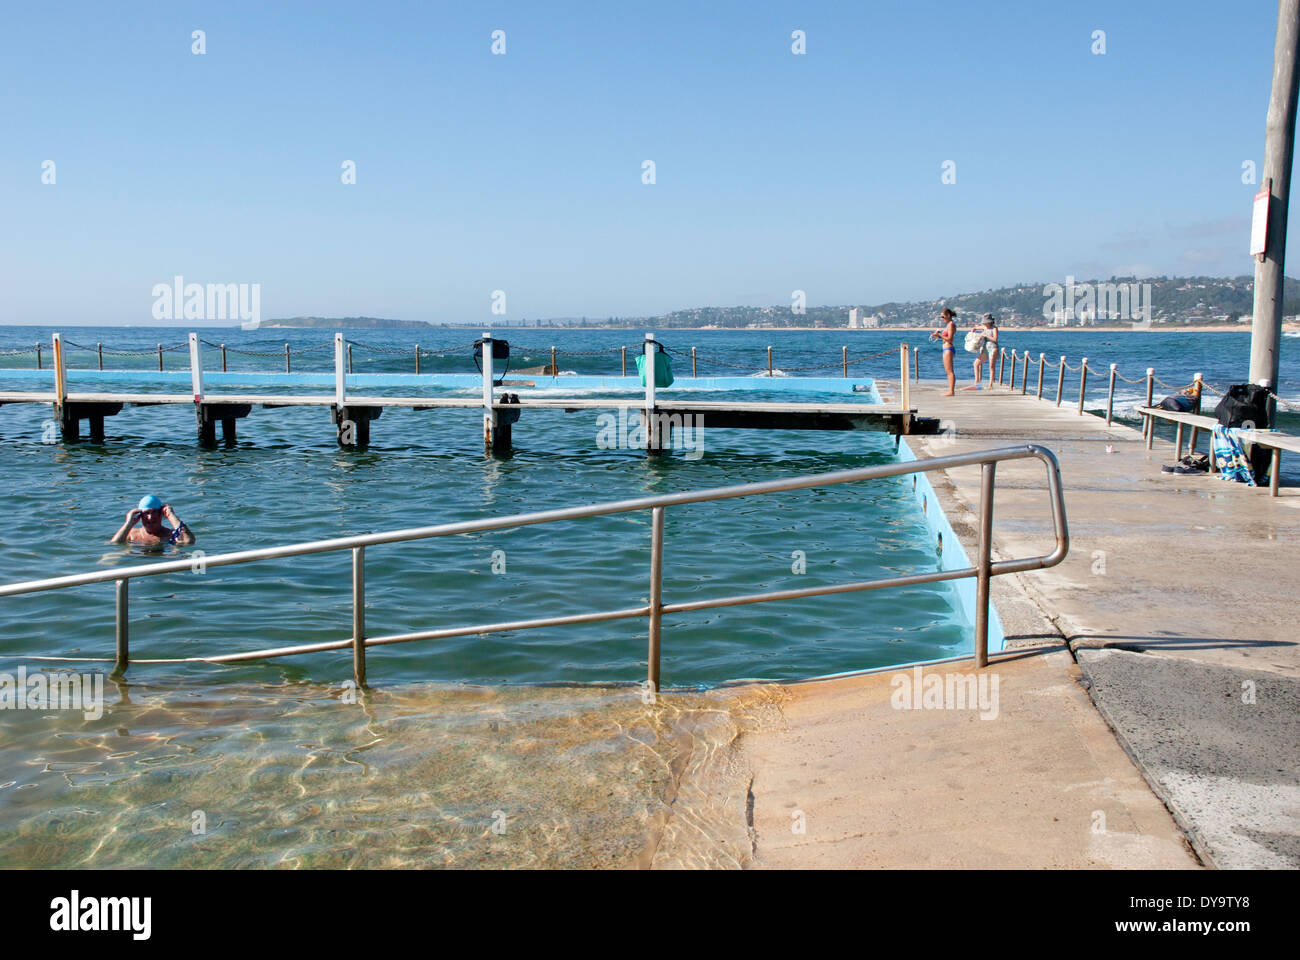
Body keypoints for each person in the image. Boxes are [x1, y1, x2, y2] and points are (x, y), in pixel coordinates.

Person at [110, 495, 196, 546]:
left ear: (161, 514)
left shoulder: (171, 535)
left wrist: (171, 516)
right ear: (140, 515)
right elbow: (114, 545)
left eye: (154, 512)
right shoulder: (131, 535)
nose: (150, 517)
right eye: (146, 513)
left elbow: (189, 542)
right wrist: (128, 523)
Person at [963, 314, 999, 391]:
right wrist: (973, 331)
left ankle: (990, 384)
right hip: (985, 349)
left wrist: (986, 335)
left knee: (991, 367)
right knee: (976, 363)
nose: (984, 324)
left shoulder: (994, 328)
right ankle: (977, 382)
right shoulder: (984, 327)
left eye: (986, 322)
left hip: (993, 348)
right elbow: (975, 328)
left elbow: (995, 339)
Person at [930, 308, 958, 396]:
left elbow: (950, 339)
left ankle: (951, 391)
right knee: (948, 371)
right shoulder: (948, 325)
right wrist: (937, 336)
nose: (942, 318)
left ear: (948, 315)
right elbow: (945, 337)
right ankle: (950, 389)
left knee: (950, 371)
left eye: (943, 316)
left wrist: (940, 335)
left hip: (948, 349)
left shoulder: (951, 325)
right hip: (946, 348)